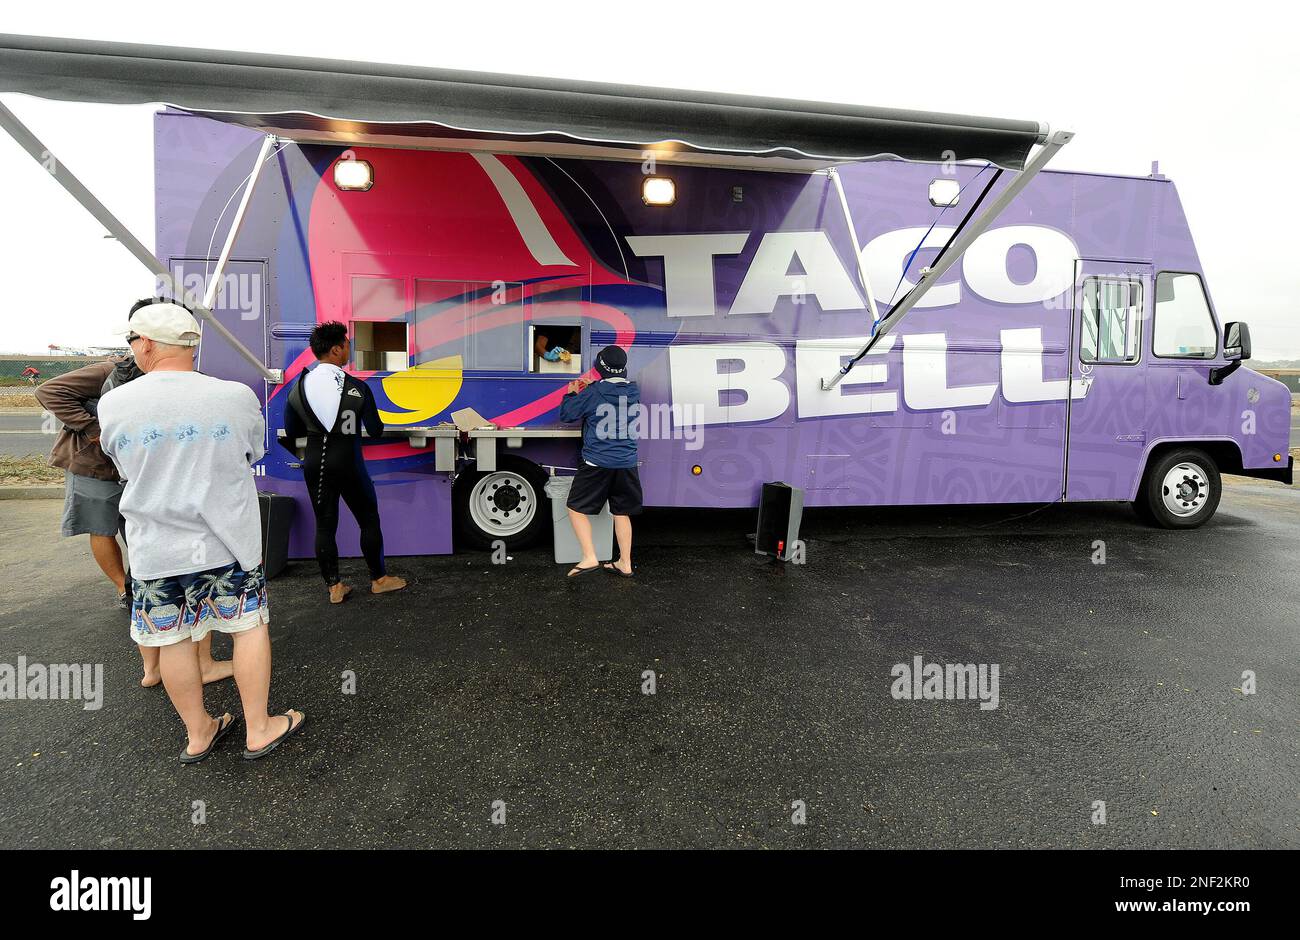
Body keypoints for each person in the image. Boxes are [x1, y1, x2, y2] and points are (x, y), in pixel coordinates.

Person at [99, 299, 303, 762]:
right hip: (226, 542)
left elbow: (121, 464)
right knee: (247, 629)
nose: (132, 348)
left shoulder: (114, 403)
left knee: (171, 640)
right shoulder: (234, 396)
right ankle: (259, 728)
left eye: (132, 340)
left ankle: (198, 733)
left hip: (155, 547)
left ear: (147, 343)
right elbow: (251, 454)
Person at [35, 312, 233, 689]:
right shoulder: (110, 370)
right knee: (103, 529)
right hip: (97, 468)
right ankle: (123, 592)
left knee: (147, 560)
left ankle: (159, 657)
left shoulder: (173, 379)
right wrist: (95, 430)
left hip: (139, 473)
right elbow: (49, 391)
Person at [280, 321, 406, 604]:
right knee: (368, 520)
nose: (349, 348)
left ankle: (334, 587)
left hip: (315, 462)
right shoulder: (357, 387)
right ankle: (379, 580)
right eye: (347, 343)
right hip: (348, 460)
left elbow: (292, 432)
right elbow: (375, 429)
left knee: (324, 526)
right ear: (337, 349)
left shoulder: (298, 387)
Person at [558, 345, 641, 577]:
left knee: (574, 508)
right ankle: (625, 562)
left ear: (599, 367)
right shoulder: (634, 391)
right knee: (621, 512)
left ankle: (589, 557)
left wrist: (573, 392)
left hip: (597, 462)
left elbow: (567, 415)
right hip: (627, 462)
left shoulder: (593, 392)